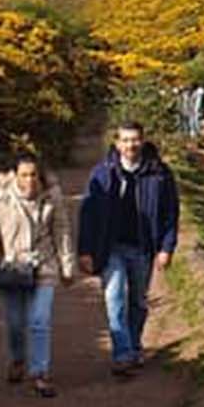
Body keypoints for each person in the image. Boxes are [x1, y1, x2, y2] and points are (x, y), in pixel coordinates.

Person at [77, 120, 180, 378]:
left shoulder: (159, 173)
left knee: (138, 301)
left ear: (142, 141)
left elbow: (171, 212)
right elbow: (88, 214)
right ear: (117, 143)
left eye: (134, 140)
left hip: (143, 247)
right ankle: (122, 355)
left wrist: (166, 247)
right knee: (114, 298)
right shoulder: (103, 172)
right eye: (125, 140)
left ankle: (134, 346)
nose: (130, 145)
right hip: (110, 247)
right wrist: (85, 250)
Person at [0, 150, 75, 398]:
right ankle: (17, 358)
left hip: (44, 265)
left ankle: (40, 373)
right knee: (15, 323)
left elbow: (62, 231)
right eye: (24, 175)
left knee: (40, 321)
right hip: (11, 267)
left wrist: (67, 265)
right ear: (14, 175)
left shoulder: (52, 195)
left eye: (33, 175)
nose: (29, 180)